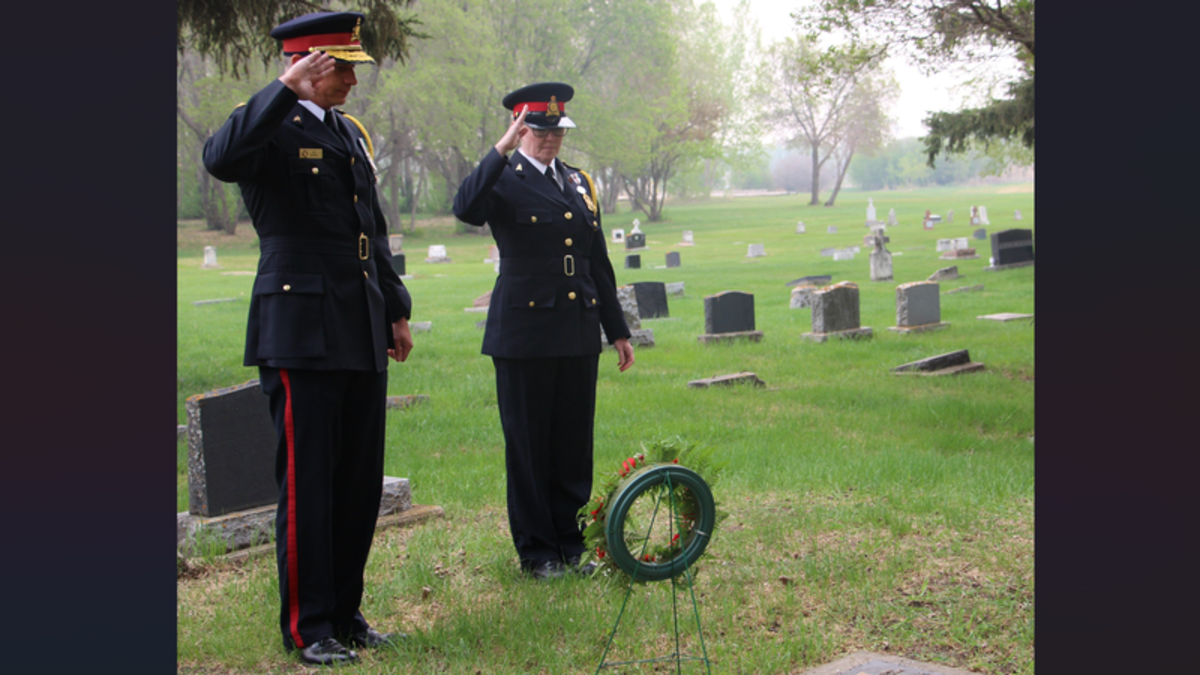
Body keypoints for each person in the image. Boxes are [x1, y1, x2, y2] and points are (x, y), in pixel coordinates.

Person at [202, 11, 413, 667]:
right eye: (341, 67)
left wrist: (396, 308)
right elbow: (220, 158)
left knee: (356, 480)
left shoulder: (350, 134)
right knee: (309, 480)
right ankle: (308, 623)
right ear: (309, 66)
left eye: (352, 67)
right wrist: (284, 89)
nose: (352, 79)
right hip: (299, 328)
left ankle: (346, 613)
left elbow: (369, 231)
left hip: (357, 321)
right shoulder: (270, 124)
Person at [452, 82, 635, 580]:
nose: (550, 139)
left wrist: (615, 328)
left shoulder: (578, 182)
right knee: (530, 445)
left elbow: (597, 259)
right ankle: (537, 551)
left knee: (572, 444)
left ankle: (572, 543)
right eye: (538, 129)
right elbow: (465, 208)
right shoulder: (502, 178)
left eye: (557, 130)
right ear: (519, 128)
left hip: (575, 328)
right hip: (525, 331)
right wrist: (500, 149)